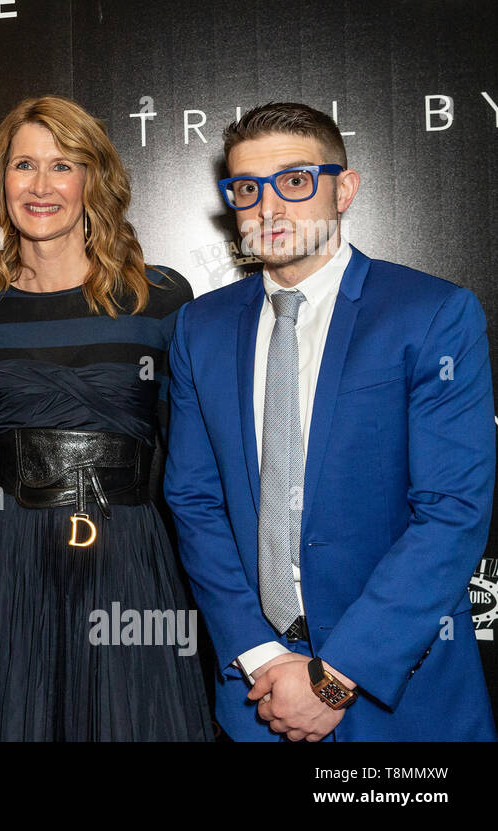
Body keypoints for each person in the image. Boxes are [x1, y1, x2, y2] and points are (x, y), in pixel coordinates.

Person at [164, 102, 497, 741]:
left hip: (401, 690)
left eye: (294, 181)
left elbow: (452, 511)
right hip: (258, 697)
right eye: (246, 189)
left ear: (343, 189)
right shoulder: (200, 328)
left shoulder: (431, 314)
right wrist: (262, 656)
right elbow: (194, 501)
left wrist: (337, 675)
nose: (268, 207)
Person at [0, 96, 211, 741]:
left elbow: (179, 448)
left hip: (130, 551)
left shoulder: (159, 299)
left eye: (63, 165)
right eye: (24, 165)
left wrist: (142, 543)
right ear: (2, 183)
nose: (41, 185)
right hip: (7, 559)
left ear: (92, 181)